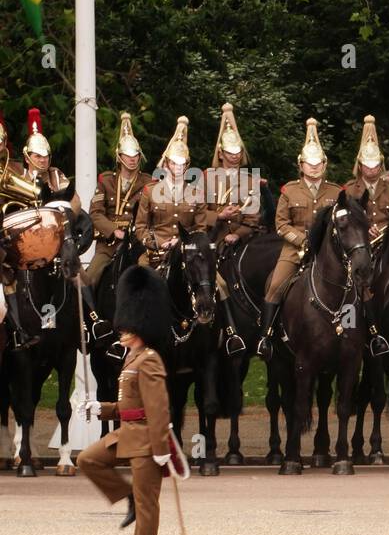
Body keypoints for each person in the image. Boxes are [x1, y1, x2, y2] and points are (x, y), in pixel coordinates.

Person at [75, 266, 175, 535]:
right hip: (127, 433)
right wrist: (99, 408)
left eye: (125, 328)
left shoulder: (150, 360)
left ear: (137, 327)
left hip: (146, 439)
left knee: (148, 506)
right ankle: (125, 494)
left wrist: (162, 450)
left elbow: (158, 410)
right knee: (87, 459)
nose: (120, 332)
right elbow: (127, 405)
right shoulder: (131, 358)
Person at [257, 118, 342, 357]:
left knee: (357, 288)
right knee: (275, 286)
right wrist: (302, 241)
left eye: (318, 164)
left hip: (328, 252)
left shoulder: (336, 192)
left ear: (324, 164)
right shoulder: (289, 190)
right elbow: (281, 224)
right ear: (301, 165)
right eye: (309, 164)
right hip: (295, 250)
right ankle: (266, 336)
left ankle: (363, 332)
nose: (314, 168)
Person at [205, 103, 265, 355]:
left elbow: (253, 219)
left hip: (242, 241)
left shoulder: (251, 180)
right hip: (213, 240)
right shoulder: (206, 177)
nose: (235, 156)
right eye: (230, 152)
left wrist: (237, 233)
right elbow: (197, 214)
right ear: (221, 152)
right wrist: (218, 216)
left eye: (238, 151)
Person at [342, 114, 389, 356]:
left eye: (376, 165)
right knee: (346, 286)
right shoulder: (348, 190)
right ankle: (346, 329)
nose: (372, 170)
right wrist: (366, 230)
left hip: (387, 244)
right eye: (367, 165)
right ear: (360, 165)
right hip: (359, 246)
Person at [86, 113, 151, 288]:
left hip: (136, 243)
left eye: (135, 155)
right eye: (127, 155)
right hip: (109, 244)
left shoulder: (148, 182)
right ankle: (88, 314)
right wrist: (113, 230)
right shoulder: (106, 181)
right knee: (89, 279)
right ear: (119, 156)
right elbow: (96, 213)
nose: (132, 159)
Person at [135, 117, 208, 270]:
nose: (178, 167)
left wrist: (182, 242)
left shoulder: (197, 193)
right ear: (167, 163)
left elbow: (201, 229)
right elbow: (141, 227)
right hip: (156, 254)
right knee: (141, 284)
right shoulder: (150, 191)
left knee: (220, 286)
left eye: (182, 164)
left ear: (187, 165)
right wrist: (158, 243)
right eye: (174, 163)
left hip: (187, 255)